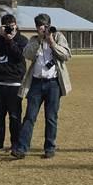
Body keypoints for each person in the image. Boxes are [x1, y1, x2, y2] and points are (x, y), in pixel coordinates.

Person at [14, 13, 72, 160]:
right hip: (36, 83)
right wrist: (40, 40)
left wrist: (52, 42)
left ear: (49, 25)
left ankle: (49, 148)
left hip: (53, 83)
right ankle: (22, 148)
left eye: (45, 26)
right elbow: (27, 54)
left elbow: (66, 55)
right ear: (36, 28)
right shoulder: (34, 40)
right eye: (40, 26)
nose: (43, 29)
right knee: (29, 117)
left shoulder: (58, 37)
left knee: (51, 117)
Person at [0, 13, 28, 152]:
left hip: (14, 84)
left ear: (16, 26)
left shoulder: (22, 40)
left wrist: (10, 40)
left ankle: (15, 143)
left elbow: (19, 56)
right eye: (6, 26)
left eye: (12, 26)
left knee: (14, 116)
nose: (9, 29)